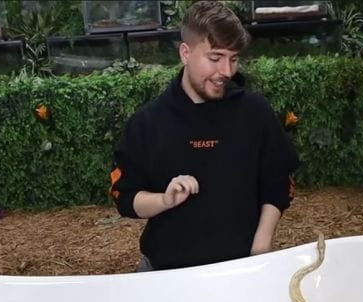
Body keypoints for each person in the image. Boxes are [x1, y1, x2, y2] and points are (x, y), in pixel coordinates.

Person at [109, 0, 300, 271]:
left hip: (242, 268)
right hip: (165, 272)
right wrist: (164, 199)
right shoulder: (148, 123)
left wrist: (261, 247)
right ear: (185, 53)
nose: (226, 72)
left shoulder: (255, 113)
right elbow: (124, 197)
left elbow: (279, 183)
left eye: (233, 59)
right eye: (215, 58)